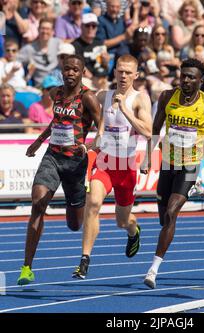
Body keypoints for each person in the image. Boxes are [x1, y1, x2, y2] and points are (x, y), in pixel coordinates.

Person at [17, 55, 101, 285]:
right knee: (38, 203)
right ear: (62, 72)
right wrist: (38, 141)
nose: (70, 73)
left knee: (75, 225)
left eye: (75, 69)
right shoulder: (56, 94)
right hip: (53, 156)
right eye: (67, 69)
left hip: (75, 163)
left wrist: (92, 144)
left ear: (82, 72)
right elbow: (56, 121)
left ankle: (72, 201)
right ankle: (26, 268)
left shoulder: (89, 98)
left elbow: (101, 126)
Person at [72, 54, 152, 279]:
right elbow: (84, 105)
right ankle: (85, 259)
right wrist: (89, 144)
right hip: (105, 162)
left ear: (136, 75)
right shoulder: (103, 96)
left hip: (126, 167)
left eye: (128, 72)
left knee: (122, 220)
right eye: (120, 71)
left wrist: (125, 110)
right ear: (114, 72)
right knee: (93, 202)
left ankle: (133, 231)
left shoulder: (140, 99)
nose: (124, 76)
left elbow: (148, 131)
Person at [142, 58, 204, 289]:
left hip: (190, 165)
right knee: (164, 217)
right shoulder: (166, 97)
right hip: (168, 164)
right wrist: (147, 157)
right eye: (184, 76)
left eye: (192, 77)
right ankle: (167, 229)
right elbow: (155, 129)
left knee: (172, 212)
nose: (187, 80)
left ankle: (153, 270)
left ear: (200, 81)